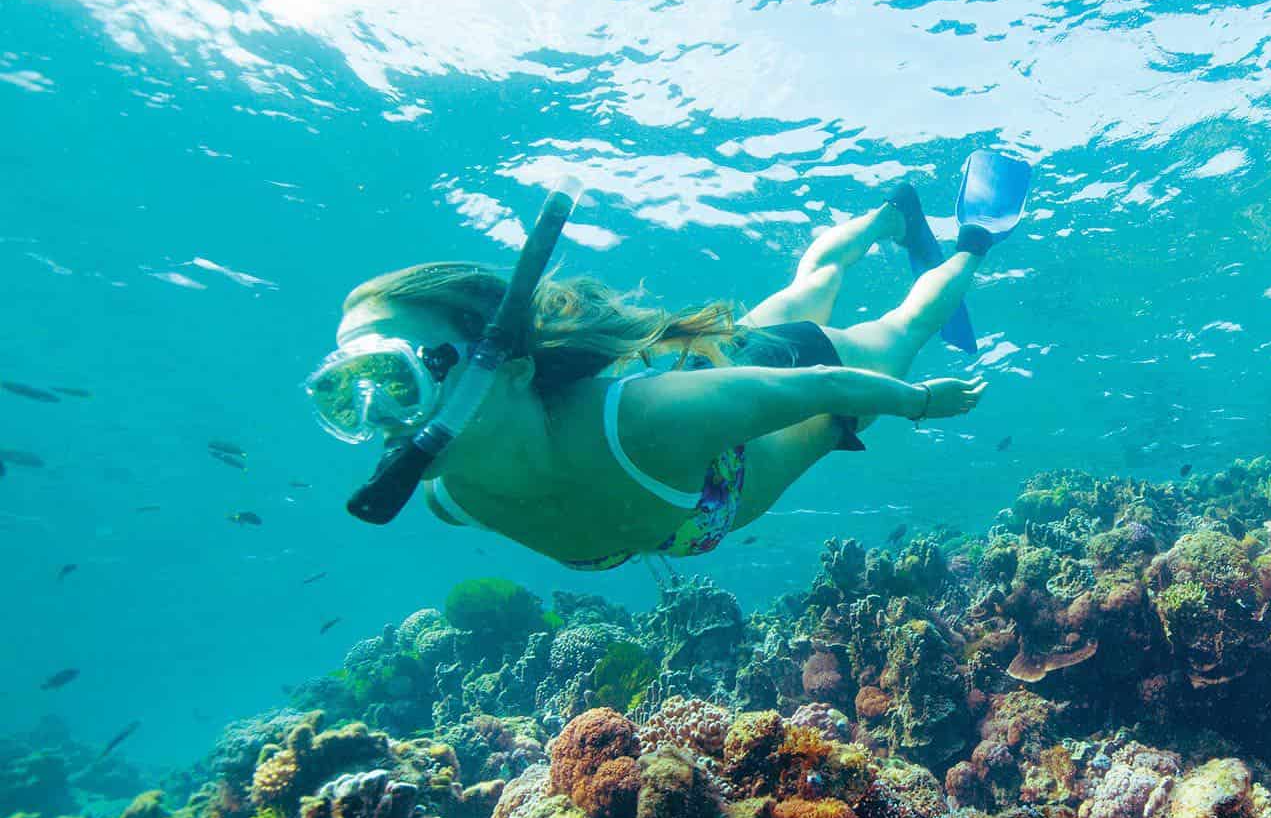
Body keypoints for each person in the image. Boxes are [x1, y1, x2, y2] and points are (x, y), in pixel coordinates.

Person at [304, 153, 1031, 569]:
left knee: (900, 332)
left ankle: (974, 236)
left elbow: (821, 382)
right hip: (711, 376)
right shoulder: (445, 492)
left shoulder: (646, 425)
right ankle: (888, 217)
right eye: (347, 391)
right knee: (803, 290)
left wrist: (926, 403)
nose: (378, 418)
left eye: (396, 376)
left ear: (511, 364)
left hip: (761, 397)